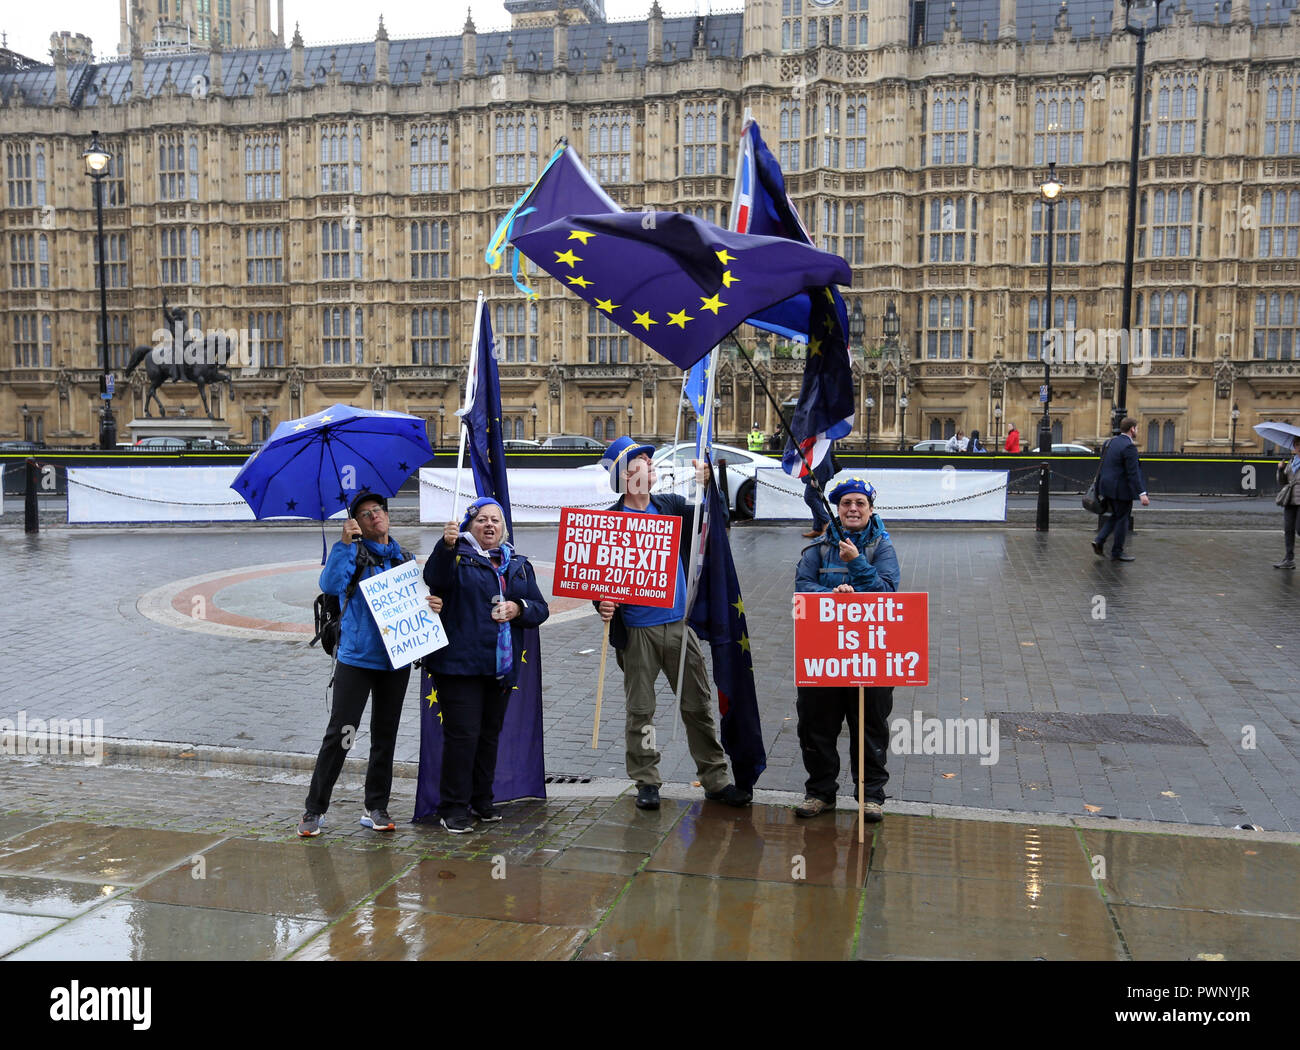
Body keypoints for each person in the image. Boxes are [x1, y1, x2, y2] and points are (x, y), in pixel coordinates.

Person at [595, 436, 750, 811]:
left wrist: (711, 482)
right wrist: (601, 602)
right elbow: (595, 578)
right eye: (642, 460)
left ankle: (715, 779)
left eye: (649, 458)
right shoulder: (609, 521)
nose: (651, 463)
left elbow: (721, 518)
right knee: (641, 712)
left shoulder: (673, 507)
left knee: (697, 706)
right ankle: (646, 780)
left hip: (680, 627)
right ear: (626, 474)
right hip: (636, 632)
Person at [299, 492, 438, 837]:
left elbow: (417, 603)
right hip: (357, 660)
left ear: (387, 516)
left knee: (385, 735)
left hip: (396, 660)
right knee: (342, 734)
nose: (374, 516)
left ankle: (376, 806)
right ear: (356, 524)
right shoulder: (353, 555)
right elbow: (330, 585)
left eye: (378, 510)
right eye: (365, 513)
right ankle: (314, 809)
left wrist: (432, 605)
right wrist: (344, 545)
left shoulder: (403, 557)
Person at [423, 496, 550, 833]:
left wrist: (518, 607)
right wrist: (445, 545)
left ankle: (482, 800)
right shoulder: (456, 558)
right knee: (462, 737)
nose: (489, 525)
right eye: (481, 520)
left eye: (495, 520)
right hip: (458, 666)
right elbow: (435, 579)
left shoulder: (517, 564)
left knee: (488, 737)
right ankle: (453, 807)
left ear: (503, 528)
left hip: (500, 667)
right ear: (469, 526)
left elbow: (540, 608)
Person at [793, 478, 900, 821]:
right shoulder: (819, 548)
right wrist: (831, 596)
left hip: (869, 654)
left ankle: (871, 796)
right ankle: (820, 792)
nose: (853, 509)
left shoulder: (882, 547)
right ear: (837, 509)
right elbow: (802, 587)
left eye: (859, 503)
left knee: (869, 726)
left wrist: (856, 563)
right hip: (823, 653)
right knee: (816, 726)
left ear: (870, 509)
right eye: (845, 504)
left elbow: (886, 592)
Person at [1092, 417, 1150, 562]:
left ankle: (1099, 540)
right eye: (1136, 428)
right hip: (1120, 490)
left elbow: (1103, 465)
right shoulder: (1129, 447)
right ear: (1132, 429)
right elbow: (1133, 472)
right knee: (1122, 519)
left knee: (1116, 516)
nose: (1137, 430)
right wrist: (1142, 493)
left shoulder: (1109, 442)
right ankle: (1117, 552)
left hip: (1106, 487)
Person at [802, 443, 839, 539]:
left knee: (809, 498)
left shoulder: (815, 433)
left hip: (818, 470)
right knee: (817, 499)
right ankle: (818, 528)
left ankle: (827, 521)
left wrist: (812, 478)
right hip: (822, 469)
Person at [1274, 436, 1300, 569]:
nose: (1298, 447)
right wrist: (1280, 469)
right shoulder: (1291, 462)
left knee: (1299, 529)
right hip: (1289, 499)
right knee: (1288, 530)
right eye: (1296, 444)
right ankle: (1289, 559)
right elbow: (1282, 483)